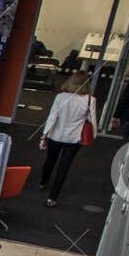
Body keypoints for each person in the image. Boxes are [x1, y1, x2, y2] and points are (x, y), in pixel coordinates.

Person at [38, 73, 97, 208]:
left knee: (50, 160)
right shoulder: (90, 100)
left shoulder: (61, 97)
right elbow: (92, 121)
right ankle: (52, 198)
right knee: (63, 168)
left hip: (55, 136)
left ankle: (43, 181)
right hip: (74, 139)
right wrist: (93, 135)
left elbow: (52, 117)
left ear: (70, 82)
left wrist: (44, 136)